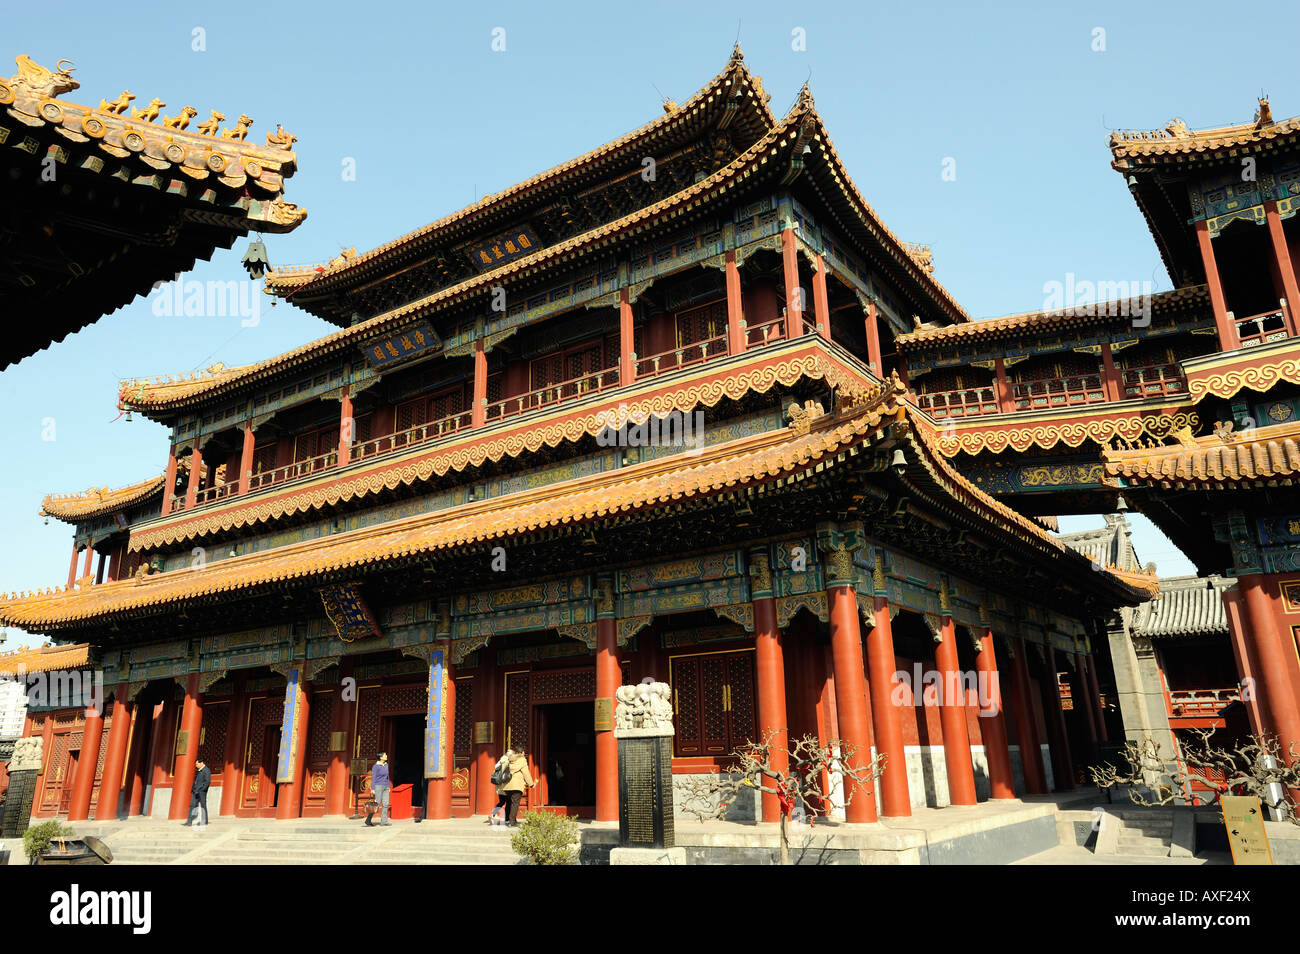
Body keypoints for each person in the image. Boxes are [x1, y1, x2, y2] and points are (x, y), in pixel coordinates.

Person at [501, 746, 535, 827]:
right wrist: (531, 784)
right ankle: (512, 822)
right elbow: (525, 773)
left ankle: (507, 820)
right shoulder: (522, 760)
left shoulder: (508, 759)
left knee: (509, 803)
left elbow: (502, 769)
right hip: (516, 785)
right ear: (521, 753)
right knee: (515, 803)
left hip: (507, 785)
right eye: (523, 752)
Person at [183, 758, 210, 829]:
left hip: (201, 792)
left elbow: (207, 782)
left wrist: (202, 790)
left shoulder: (206, 770)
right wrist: (193, 789)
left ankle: (204, 821)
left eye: (197, 764)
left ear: (202, 763)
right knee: (192, 806)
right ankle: (189, 821)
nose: (196, 765)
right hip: (195, 791)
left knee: (203, 806)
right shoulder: (198, 771)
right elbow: (196, 781)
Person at [367, 752, 391, 827]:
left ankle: (384, 822)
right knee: (376, 804)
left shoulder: (386, 765)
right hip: (378, 786)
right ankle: (368, 819)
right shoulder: (376, 766)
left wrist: (389, 786)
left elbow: (387, 776)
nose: (386, 756)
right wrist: (373, 788)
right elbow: (373, 778)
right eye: (385, 755)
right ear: (381, 757)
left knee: (385, 804)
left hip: (386, 786)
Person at [489, 749, 512, 826]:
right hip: (506, 786)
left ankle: (493, 814)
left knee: (501, 802)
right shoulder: (508, 762)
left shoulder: (499, 762)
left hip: (499, 786)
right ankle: (507, 819)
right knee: (509, 803)